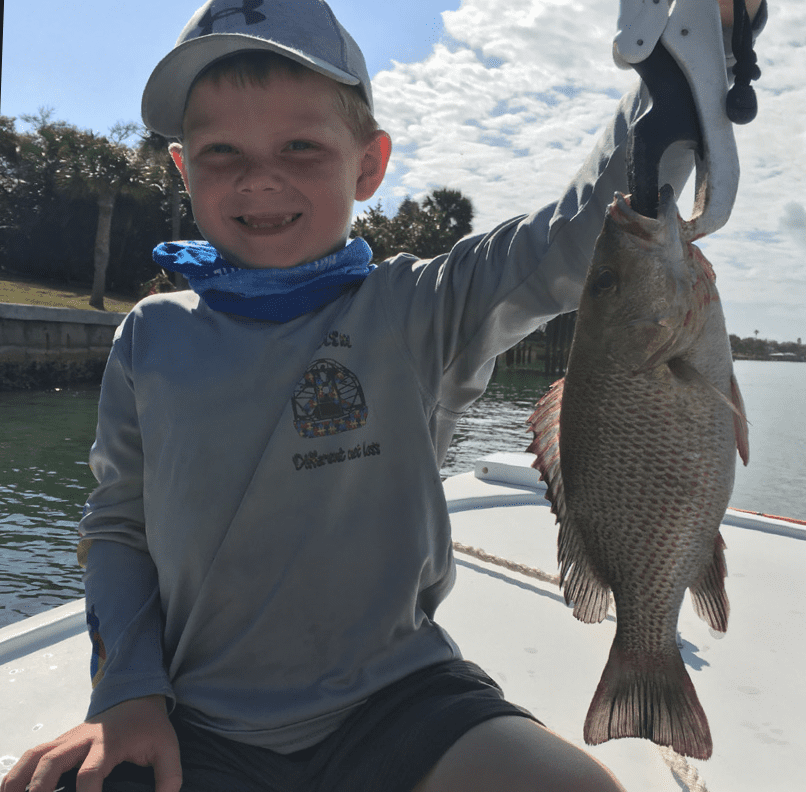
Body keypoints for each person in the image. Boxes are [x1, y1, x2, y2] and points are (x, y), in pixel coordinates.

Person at [2, 1, 765, 791]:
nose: (259, 176)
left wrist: (673, 66)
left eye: (300, 146)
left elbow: (573, 239)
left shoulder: (423, 307)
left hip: (398, 699)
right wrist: (127, 690)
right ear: (183, 168)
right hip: (197, 714)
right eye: (221, 151)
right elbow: (118, 527)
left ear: (368, 165)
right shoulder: (148, 338)